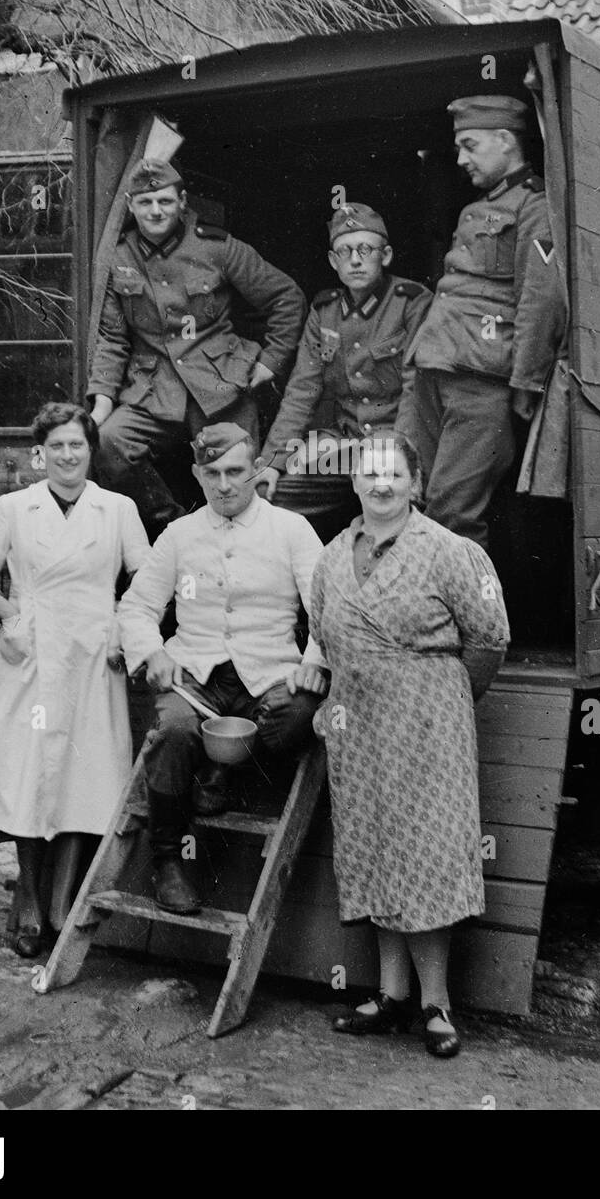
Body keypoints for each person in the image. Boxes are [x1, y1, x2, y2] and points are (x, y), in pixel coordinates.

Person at [309, 432, 509, 1058]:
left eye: (395, 474)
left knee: (427, 855)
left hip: (429, 728)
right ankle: (391, 995)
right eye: (370, 473)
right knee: (374, 851)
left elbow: (491, 637)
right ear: (354, 483)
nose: (382, 484)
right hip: (359, 730)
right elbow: (322, 629)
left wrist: (444, 696)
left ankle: (435, 1004)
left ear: (416, 484)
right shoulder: (331, 557)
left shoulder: (452, 553)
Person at [0, 403, 151, 957]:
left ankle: (63, 899)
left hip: (93, 655)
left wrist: (123, 629)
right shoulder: (15, 507)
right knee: (28, 772)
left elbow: (148, 579)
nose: (67, 455)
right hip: (31, 653)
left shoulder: (118, 509)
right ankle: (28, 897)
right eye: (56, 446)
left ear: (92, 451)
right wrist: (9, 614)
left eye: (78, 445)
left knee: (82, 778)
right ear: (41, 453)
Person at [117, 422, 328, 914]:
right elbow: (136, 607)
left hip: (268, 675)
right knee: (173, 733)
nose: (225, 484)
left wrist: (315, 662)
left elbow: (327, 606)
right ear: (196, 474)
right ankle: (168, 861)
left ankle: (221, 770)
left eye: (236, 471)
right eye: (212, 473)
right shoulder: (179, 535)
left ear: (256, 470)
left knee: (297, 716)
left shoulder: (290, 529)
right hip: (195, 676)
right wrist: (153, 653)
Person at [87, 157, 307, 536]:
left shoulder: (217, 247)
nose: (156, 211)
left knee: (239, 480)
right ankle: (174, 531)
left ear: (182, 201)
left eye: (165, 201)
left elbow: (286, 297)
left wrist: (271, 361)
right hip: (154, 392)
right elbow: (112, 337)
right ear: (130, 203)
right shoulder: (118, 256)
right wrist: (102, 400)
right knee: (110, 444)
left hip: (221, 386)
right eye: (145, 202)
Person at [406, 95, 567, 547]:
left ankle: (465, 617)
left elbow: (540, 299)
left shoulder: (534, 205)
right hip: (436, 365)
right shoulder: (480, 205)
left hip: (481, 380)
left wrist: (526, 381)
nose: (462, 159)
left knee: (452, 512)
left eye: (470, 145)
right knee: (411, 497)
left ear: (505, 140)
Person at [256, 203, 430, 500]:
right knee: (280, 493)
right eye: (344, 252)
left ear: (385, 256)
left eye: (365, 250)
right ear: (333, 261)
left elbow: (417, 392)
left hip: (396, 444)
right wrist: (273, 461)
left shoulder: (411, 302)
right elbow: (302, 389)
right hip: (346, 446)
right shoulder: (325, 309)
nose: (355, 261)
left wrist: (400, 459)